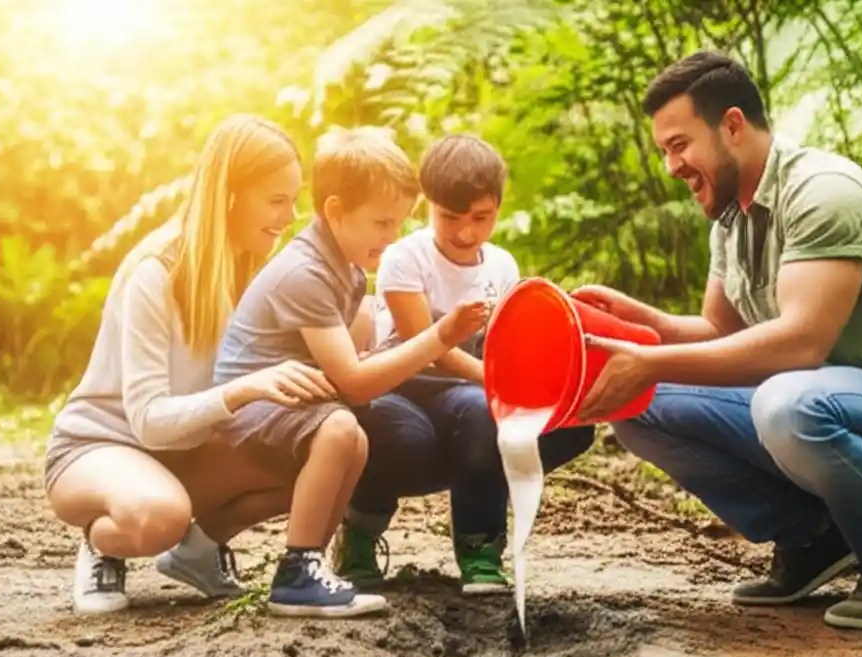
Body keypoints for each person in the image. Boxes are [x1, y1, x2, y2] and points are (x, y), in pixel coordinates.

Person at [574, 52, 862, 630]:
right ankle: (815, 538)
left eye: (679, 144)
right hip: (811, 410)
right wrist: (652, 326)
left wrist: (651, 358)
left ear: (733, 125)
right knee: (642, 406)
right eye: (664, 150)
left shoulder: (824, 191)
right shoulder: (731, 216)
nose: (671, 166)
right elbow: (722, 333)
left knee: (785, 400)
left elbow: (800, 345)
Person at [45, 115, 340, 615]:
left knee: (314, 459)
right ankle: (104, 541)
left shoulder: (255, 269)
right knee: (159, 516)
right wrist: (243, 390)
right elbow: (148, 421)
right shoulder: (156, 272)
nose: (289, 215)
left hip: (184, 448)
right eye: (275, 200)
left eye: (293, 200)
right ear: (229, 196)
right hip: (102, 444)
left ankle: (197, 554)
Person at [214, 127, 490, 616]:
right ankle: (296, 570)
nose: (394, 237)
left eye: (400, 223)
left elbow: (348, 354)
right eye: (382, 223)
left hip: (294, 396)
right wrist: (440, 336)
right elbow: (355, 383)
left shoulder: (345, 264)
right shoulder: (307, 272)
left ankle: (312, 563)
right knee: (342, 427)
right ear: (335, 211)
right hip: (253, 404)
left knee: (355, 440)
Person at [331, 134, 595, 595]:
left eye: (481, 218)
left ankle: (481, 548)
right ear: (428, 206)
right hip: (403, 380)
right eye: (450, 217)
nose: (465, 233)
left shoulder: (501, 266)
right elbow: (425, 344)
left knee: (483, 416)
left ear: (497, 208)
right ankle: (358, 530)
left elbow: (502, 343)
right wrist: (496, 382)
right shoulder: (404, 257)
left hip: (465, 393)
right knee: (412, 428)